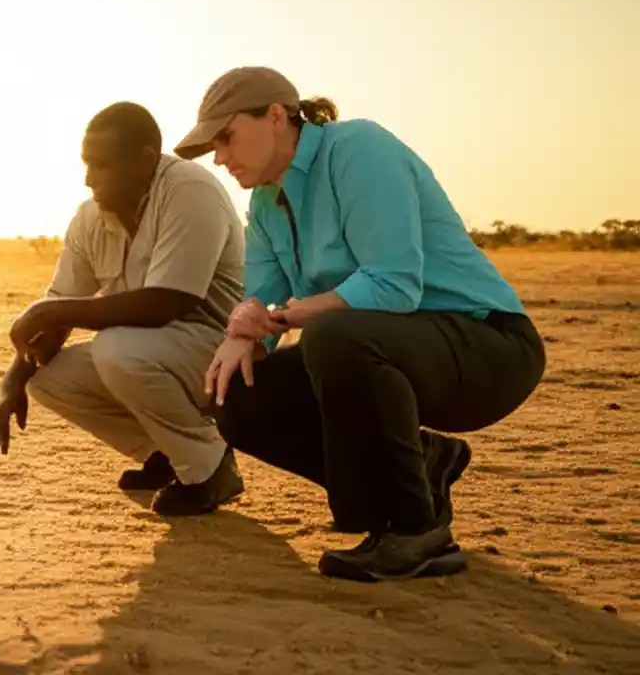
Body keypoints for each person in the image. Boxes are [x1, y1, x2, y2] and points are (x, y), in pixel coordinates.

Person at [173, 67, 545, 580]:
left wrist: (287, 315)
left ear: (276, 117)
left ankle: (416, 531)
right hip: (382, 349)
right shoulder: (264, 201)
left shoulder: (358, 150)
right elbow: (260, 298)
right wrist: (243, 334)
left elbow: (395, 284)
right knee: (232, 392)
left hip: (487, 346)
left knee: (334, 334)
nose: (219, 158)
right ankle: (419, 465)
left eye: (226, 137)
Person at [0, 102, 246, 516]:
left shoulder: (189, 188)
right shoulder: (90, 218)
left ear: (144, 161)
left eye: (101, 166)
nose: (89, 180)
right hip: (156, 354)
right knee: (49, 378)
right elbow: (55, 309)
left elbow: (168, 302)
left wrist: (54, 314)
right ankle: (165, 454)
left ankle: (209, 468)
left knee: (115, 349)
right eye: (87, 165)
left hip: (226, 351)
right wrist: (10, 384)